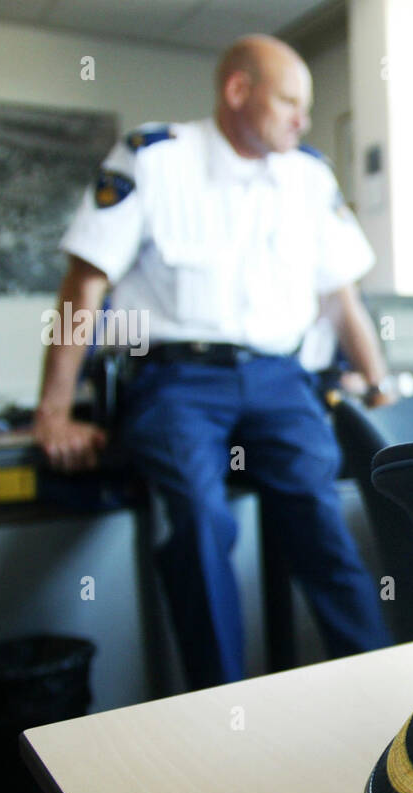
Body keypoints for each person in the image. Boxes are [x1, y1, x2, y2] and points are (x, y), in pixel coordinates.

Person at [32, 35, 393, 689]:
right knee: (201, 520)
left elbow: (342, 300)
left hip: (281, 380)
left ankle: (380, 696)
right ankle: (220, 709)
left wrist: (380, 386)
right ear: (237, 91)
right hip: (179, 381)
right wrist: (53, 412)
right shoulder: (154, 156)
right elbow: (84, 284)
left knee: (323, 521)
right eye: (288, 101)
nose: (301, 120)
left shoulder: (309, 176)